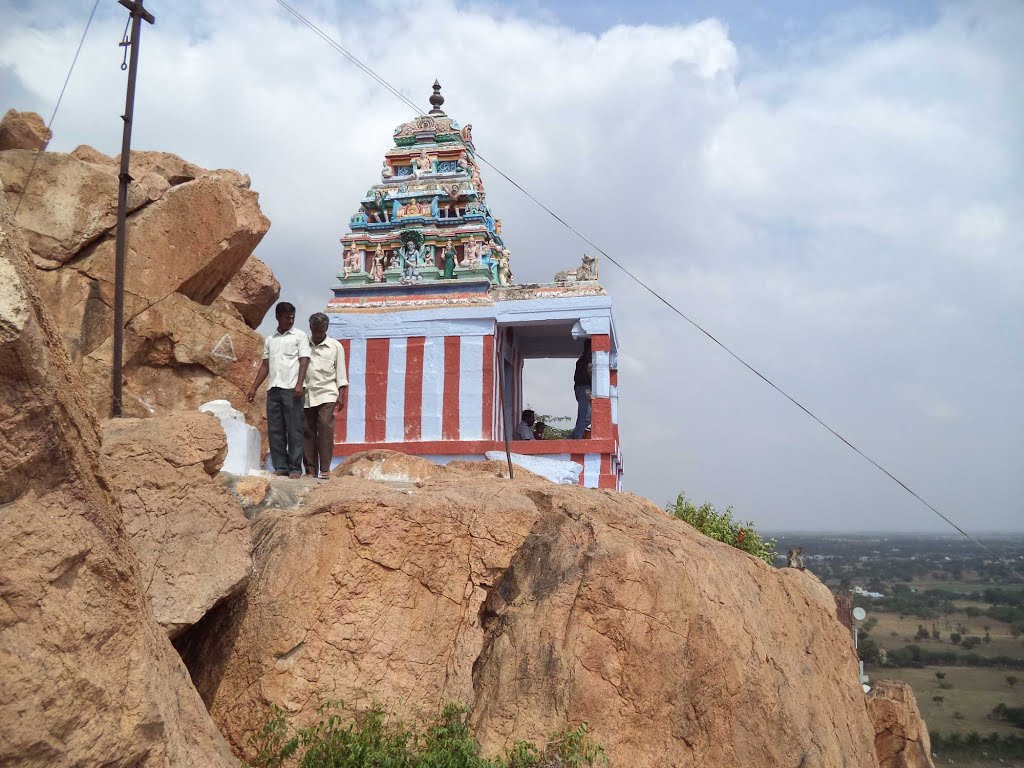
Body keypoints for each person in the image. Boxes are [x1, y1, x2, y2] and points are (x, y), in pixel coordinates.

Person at [247, 302, 311, 478]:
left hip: (292, 389)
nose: (290, 321)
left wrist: (299, 384)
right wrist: (254, 388)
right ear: (277, 317)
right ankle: (280, 466)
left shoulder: (299, 336)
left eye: (292, 318)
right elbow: (265, 365)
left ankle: (295, 468)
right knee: (275, 430)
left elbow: (304, 361)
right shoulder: (270, 339)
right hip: (273, 389)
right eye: (286, 318)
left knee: (294, 429)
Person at [303, 313, 348, 479]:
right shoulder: (303, 345)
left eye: (320, 331)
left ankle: (325, 468)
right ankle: (310, 469)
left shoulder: (336, 346)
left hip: (328, 393)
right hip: (306, 393)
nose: (317, 334)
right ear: (311, 328)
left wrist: (341, 395)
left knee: (325, 427)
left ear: (326, 329)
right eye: (315, 330)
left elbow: (341, 373)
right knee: (307, 431)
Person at [571, 339, 592, 439]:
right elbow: (586, 376)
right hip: (583, 388)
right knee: (584, 417)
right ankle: (577, 439)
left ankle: (572, 438)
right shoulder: (584, 361)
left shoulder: (585, 360)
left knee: (587, 418)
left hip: (584, 388)